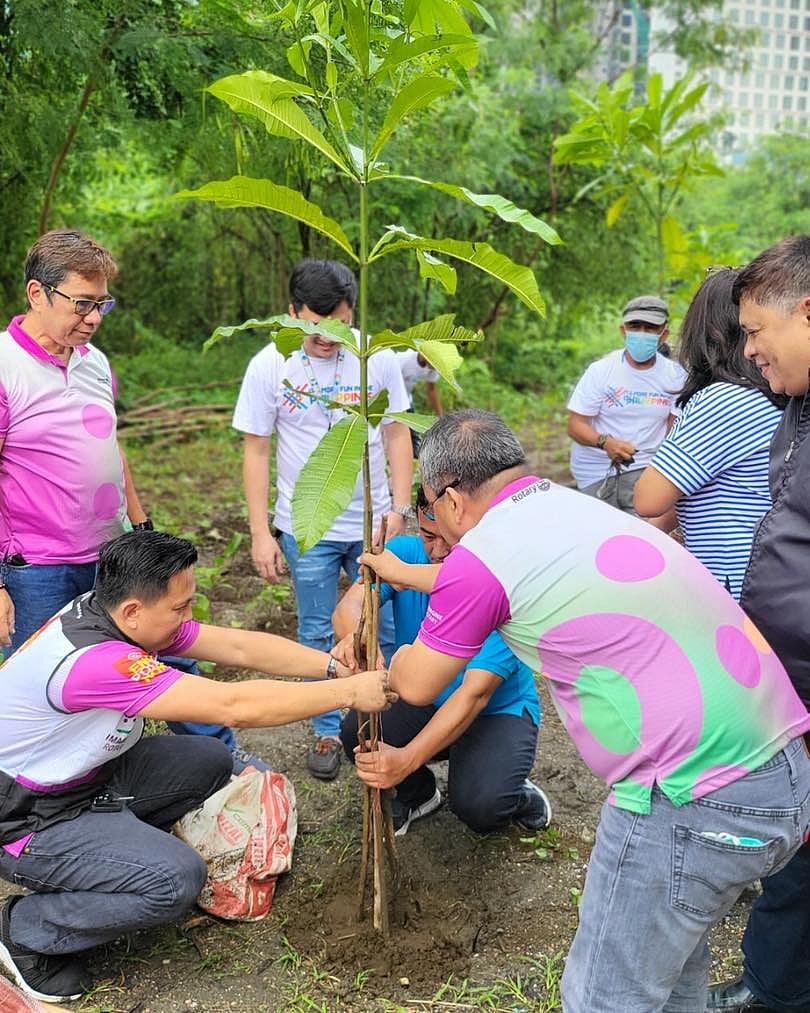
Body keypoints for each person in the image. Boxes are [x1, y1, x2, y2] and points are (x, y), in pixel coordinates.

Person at [359, 409, 810, 1013]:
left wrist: (369, 670)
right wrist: (402, 573)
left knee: (606, 997)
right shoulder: (566, 509)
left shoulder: (483, 556)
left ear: (451, 499)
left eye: (431, 508)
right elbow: (472, 578)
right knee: (672, 974)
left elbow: (415, 683)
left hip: (688, 799)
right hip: (778, 773)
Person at [0, 531, 393, 1005]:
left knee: (208, 760)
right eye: (180, 608)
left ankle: (114, 853)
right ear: (133, 611)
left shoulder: (116, 613)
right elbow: (232, 704)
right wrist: (347, 695)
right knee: (176, 880)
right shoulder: (96, 662)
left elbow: (240, 650)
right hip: (30, 817)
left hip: (90, 778)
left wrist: (333, 669)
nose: (188, 618)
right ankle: (24, 929)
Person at [0, 229, 265, 774]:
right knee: (50, 682)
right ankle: (44, 795)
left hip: (113, 552)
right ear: (36, 294)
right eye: (81, 304)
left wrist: (141, 524)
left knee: (165, 646)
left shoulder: (94, 362)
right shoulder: (5, 367)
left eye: (102, 304)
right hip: (37, 568)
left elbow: (110, 447)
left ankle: (223, 756)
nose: (94, 318)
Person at [233, 259, 412, 781]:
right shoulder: (271, 364)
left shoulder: (372, 357)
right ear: (292, 313)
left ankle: (387, 721)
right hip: (304, 526)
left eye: (338, 324)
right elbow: (257, 450)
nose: (329, 337)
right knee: (315, 629)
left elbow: (397, 432)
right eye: (316, 324)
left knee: (388, 625)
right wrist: (261, 532)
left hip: (375, 525)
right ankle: (328, 727)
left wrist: (400, 509)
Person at [706, 236, 810, 1013]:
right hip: (791, 679)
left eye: (754, 330)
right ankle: (776, 986)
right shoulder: (795, 408)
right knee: (797, 843)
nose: (747, 350)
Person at [332, 489, 547, 837]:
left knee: (481, 806)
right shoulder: (403, 556)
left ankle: (514, 793)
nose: (439, 550)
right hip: (424, 699)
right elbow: (350, 608)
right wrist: (358, 638)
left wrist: (406, 760)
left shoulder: (500, 580)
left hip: (494, 711)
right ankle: (419, 793)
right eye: (429, 536)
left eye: (452, 539)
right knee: (357, 730)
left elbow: (473, 695)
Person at [634, 268, 785, 601]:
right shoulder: (773, 393)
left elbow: (648, 499)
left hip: (736, 580)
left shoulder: (724, 399)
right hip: (772, 573)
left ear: (707, 331)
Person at [567, 294, 686, 512]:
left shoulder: (675, 376)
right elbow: (576, 426)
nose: (641, 333)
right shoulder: (601, 371)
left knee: (640, 531)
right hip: (595, 471)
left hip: (643, 468)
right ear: (623, 330)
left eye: (650, 328)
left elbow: (673, 431)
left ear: (663, 334)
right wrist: (606, 443)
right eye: (635, 326)